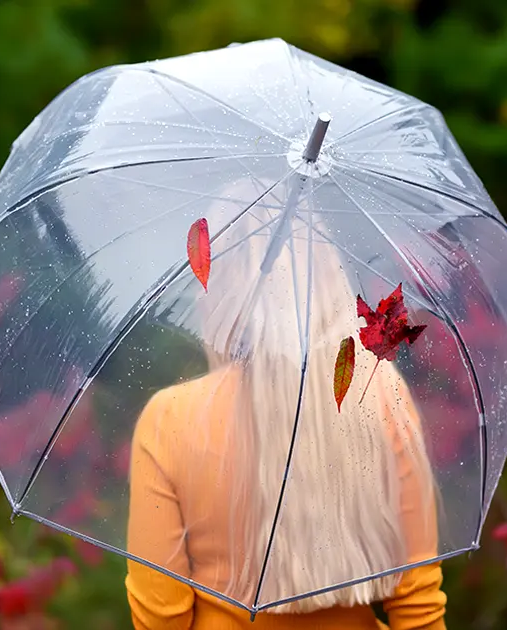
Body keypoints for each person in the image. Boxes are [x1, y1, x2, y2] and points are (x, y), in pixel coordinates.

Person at [125, 184, 448, 630]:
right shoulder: (379, 396)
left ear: (216, 287)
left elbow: (161, 619)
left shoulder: (170, 422)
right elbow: (416, 604)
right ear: (328, 275)